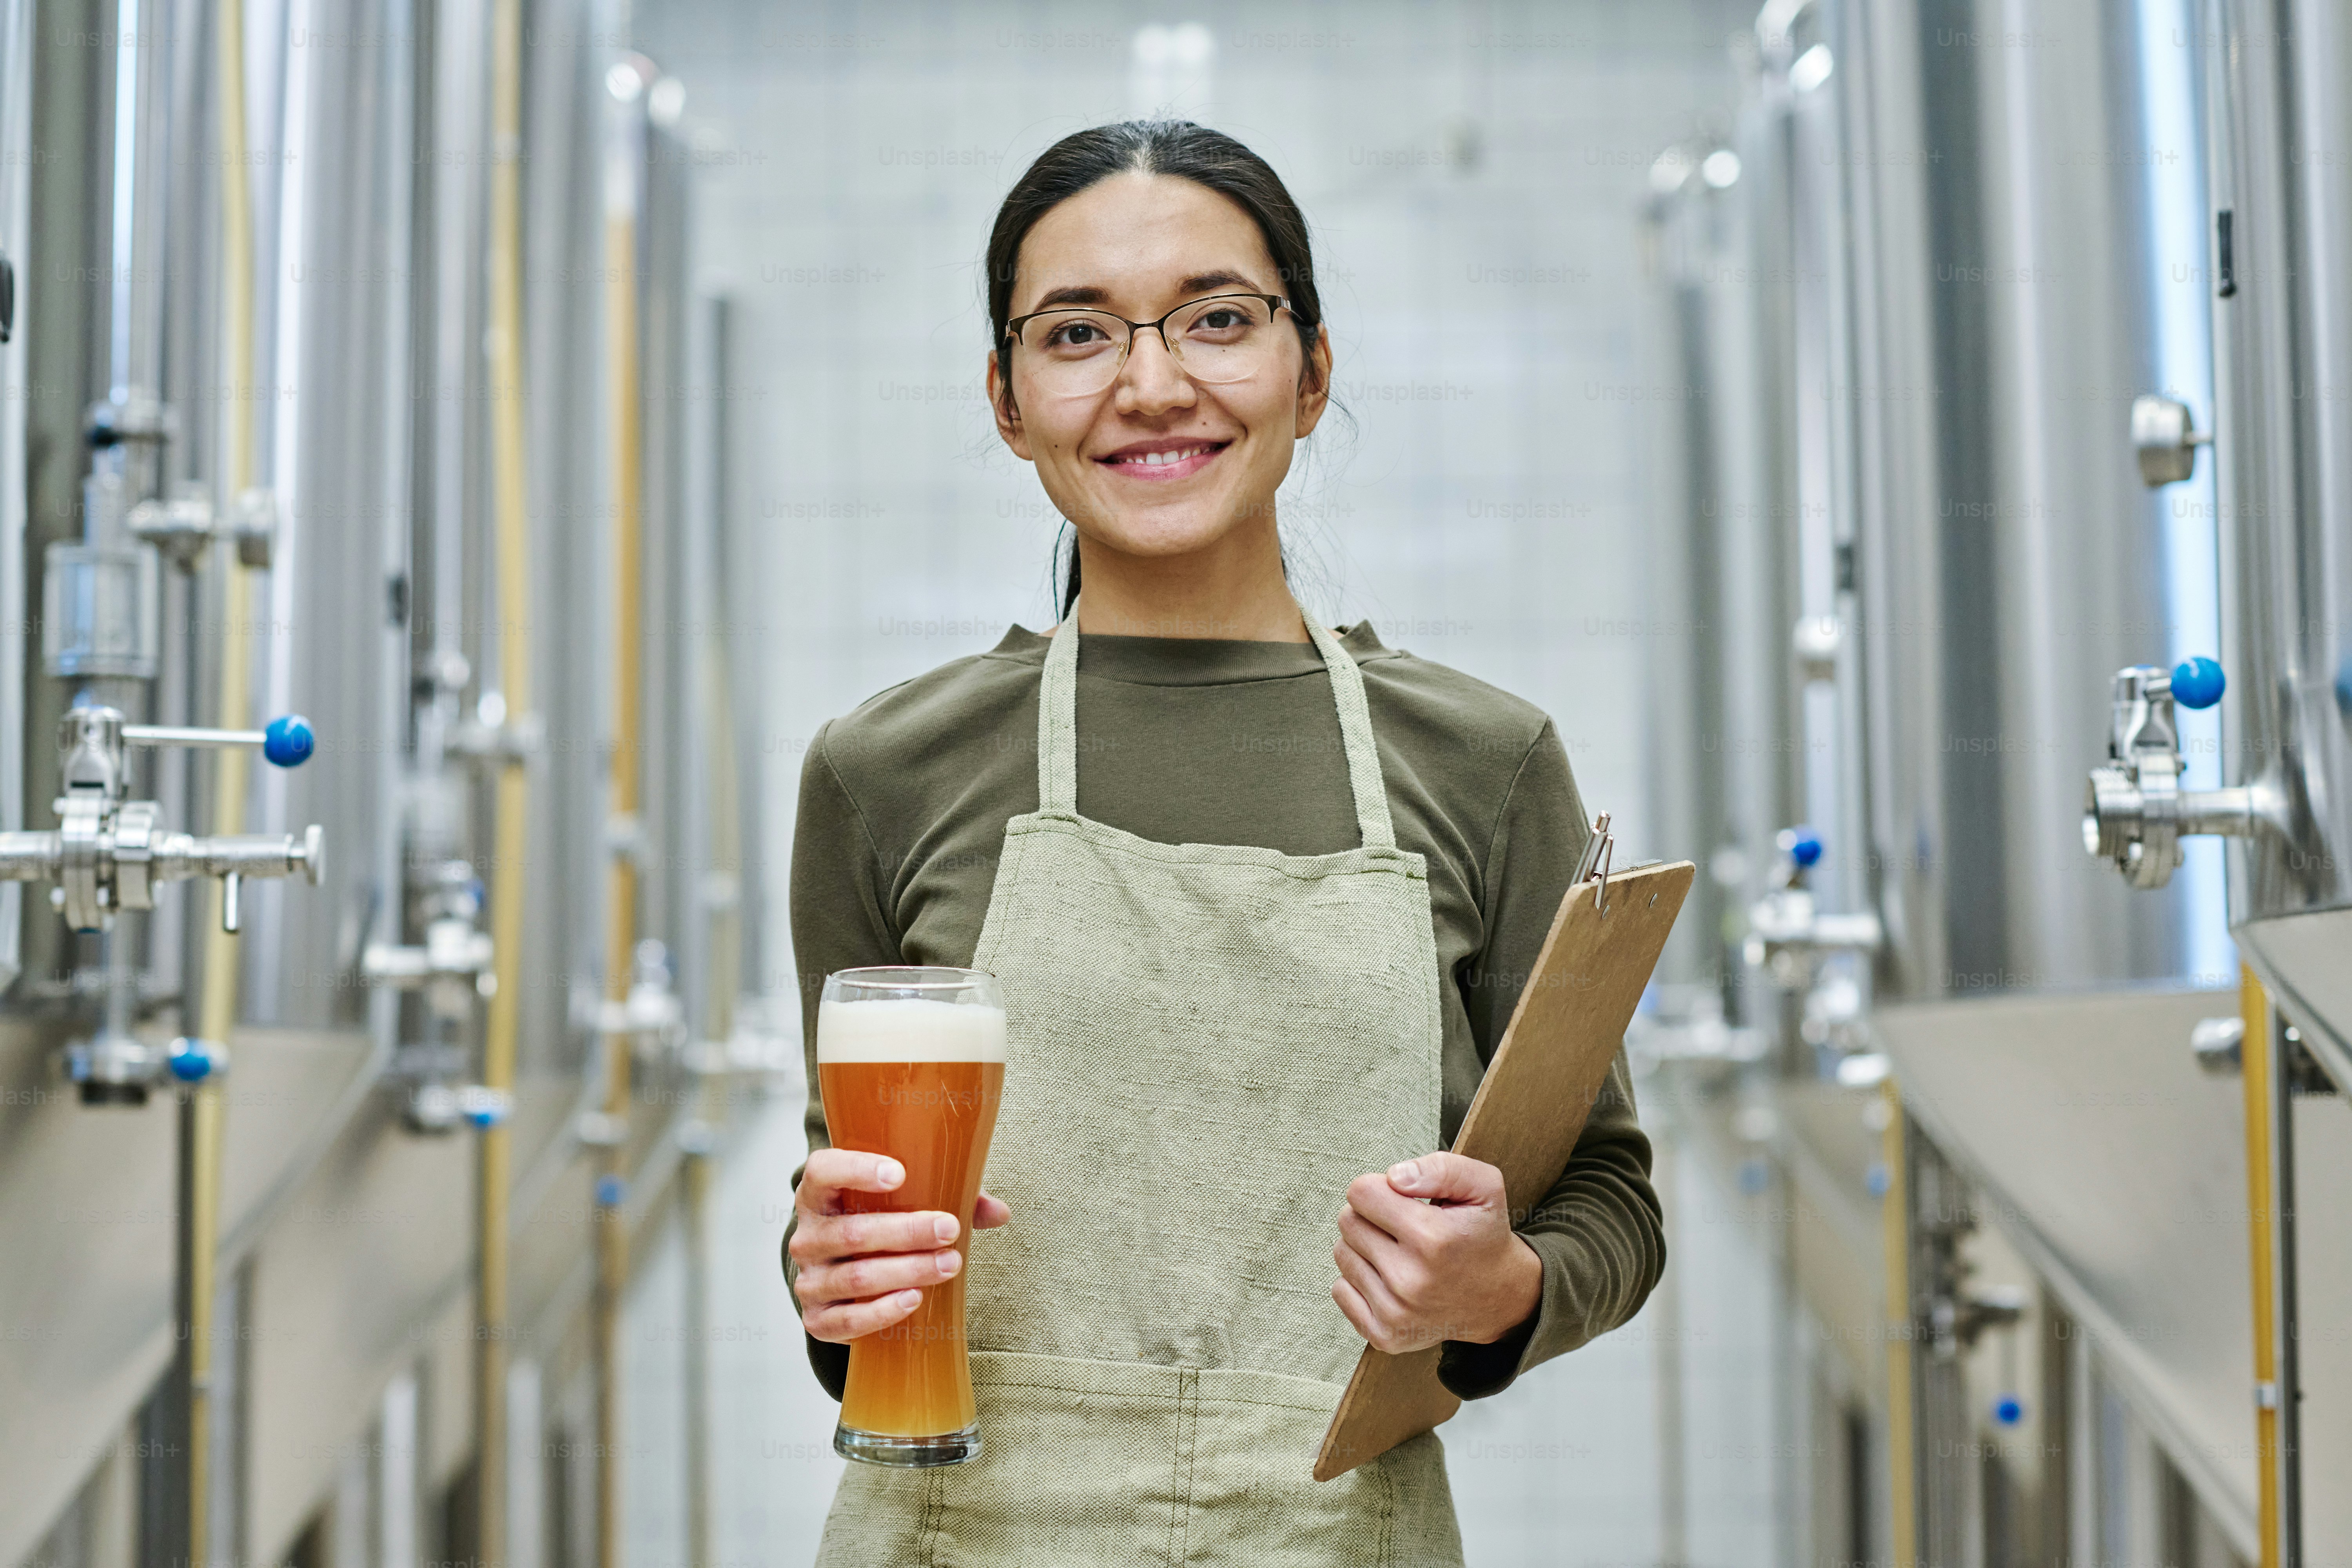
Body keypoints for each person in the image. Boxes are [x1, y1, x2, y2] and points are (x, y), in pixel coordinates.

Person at [784, 119, 1663, 1564]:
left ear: (1312, 372)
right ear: (1007, 399)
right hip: (958, 1528)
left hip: (1336, 1531)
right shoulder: (884, 771)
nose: (1152, 384)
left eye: (1218, 321)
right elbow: (852, 1229)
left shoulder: (1485, 763)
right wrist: (827, 1274)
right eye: (1076, 335)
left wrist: (1500, 1288)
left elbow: (1607, 1202)